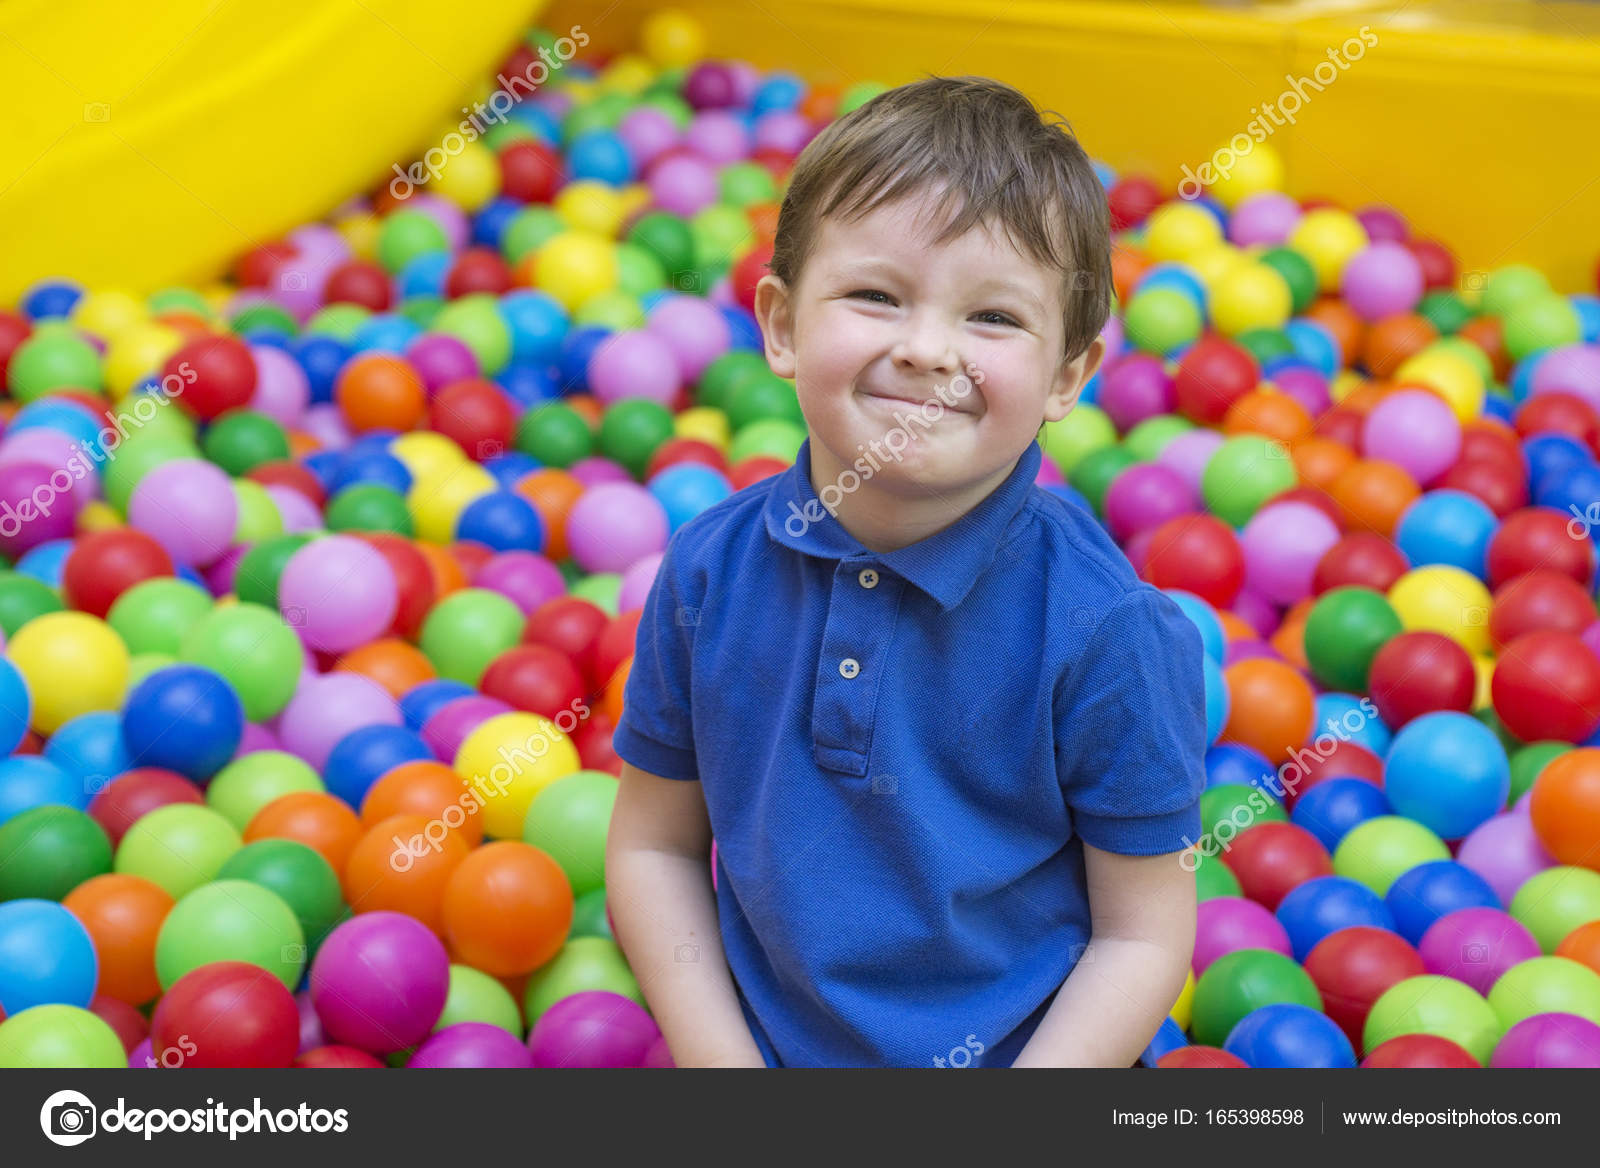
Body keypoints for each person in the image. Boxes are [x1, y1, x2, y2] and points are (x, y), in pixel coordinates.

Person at [605, 75, 1206, 1067]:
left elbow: (1139, 935)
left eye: (994, 319)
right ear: (783, 324)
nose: (928, 350)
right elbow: (652, 845)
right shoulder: (709, 573)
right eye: (875, 296)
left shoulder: (1103, 629)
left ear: (1066, 375)